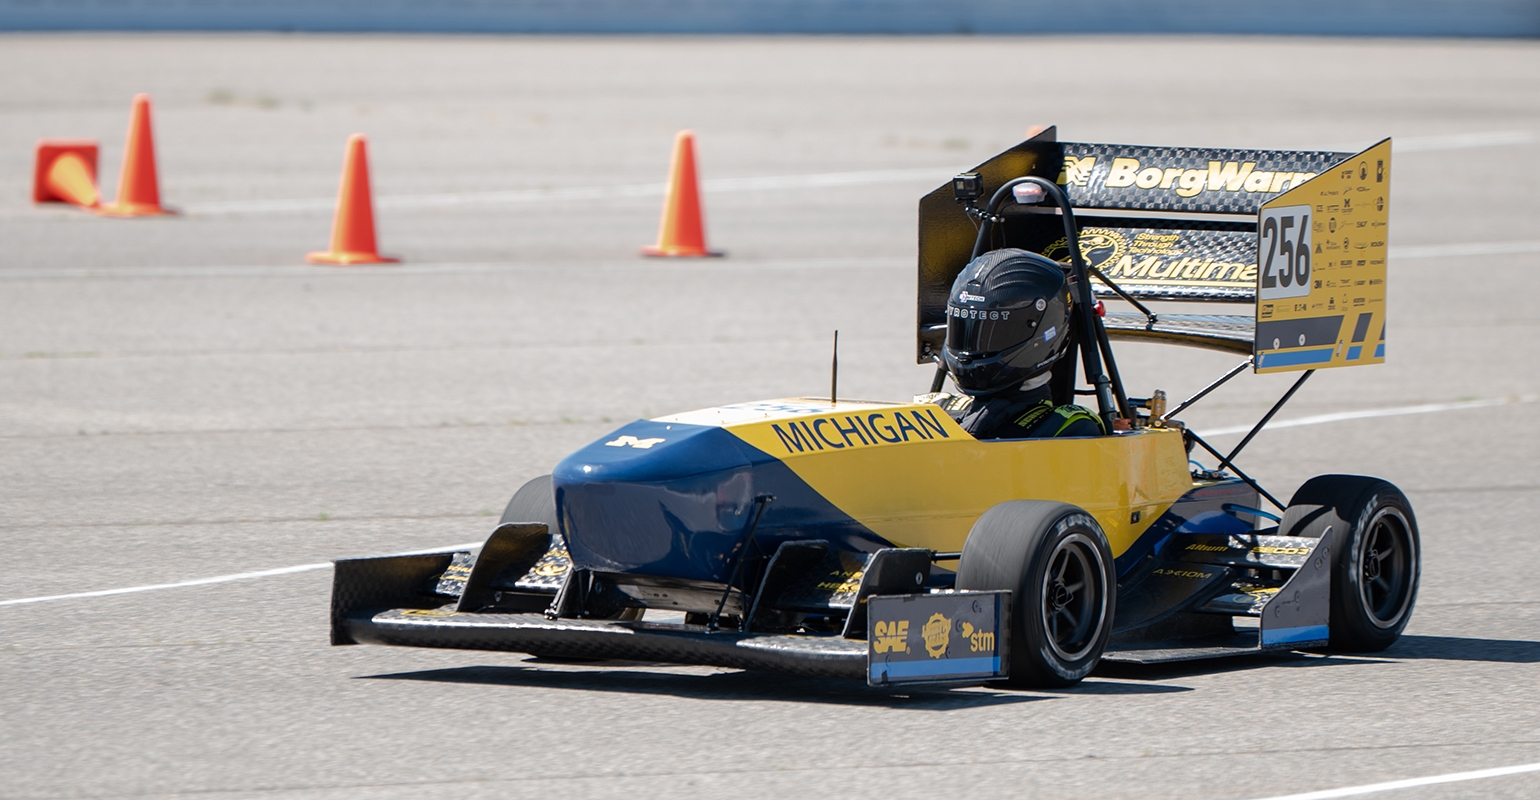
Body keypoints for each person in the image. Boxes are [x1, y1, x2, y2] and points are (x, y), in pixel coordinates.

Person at [940, 248, 1105, 440]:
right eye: (966, 329)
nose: (974, 349)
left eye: (995, 332)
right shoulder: (936, 409)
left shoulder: (1065, 428)